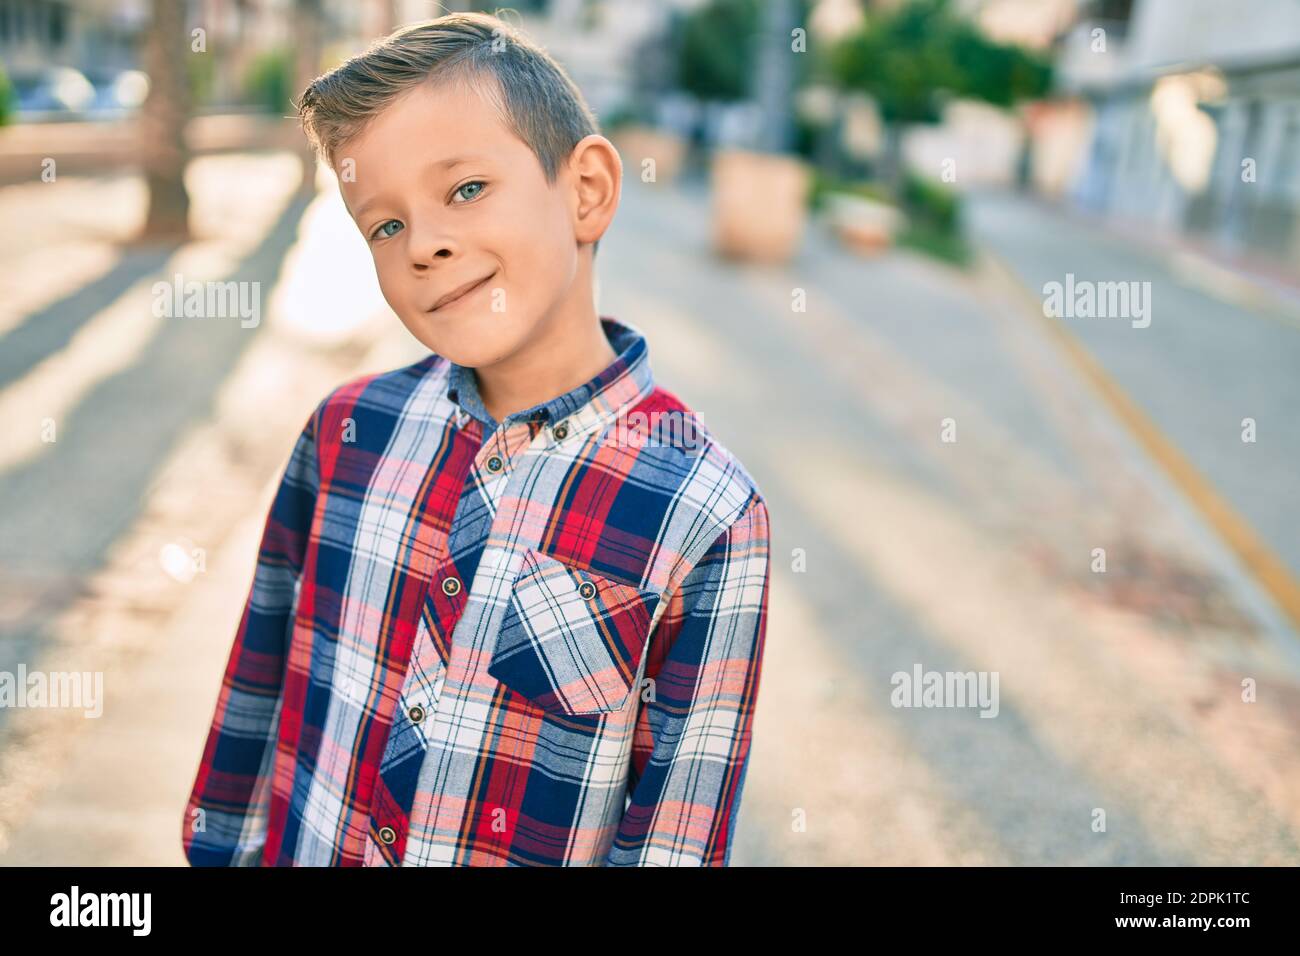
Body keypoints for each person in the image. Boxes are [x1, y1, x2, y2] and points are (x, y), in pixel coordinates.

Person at [181, 10, 771, 867]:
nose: (425, 244)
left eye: (464, 190)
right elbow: (255, 693)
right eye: (384, 225)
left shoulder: (705, 511)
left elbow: (675, 834)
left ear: (588, 191)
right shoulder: (346, 432)